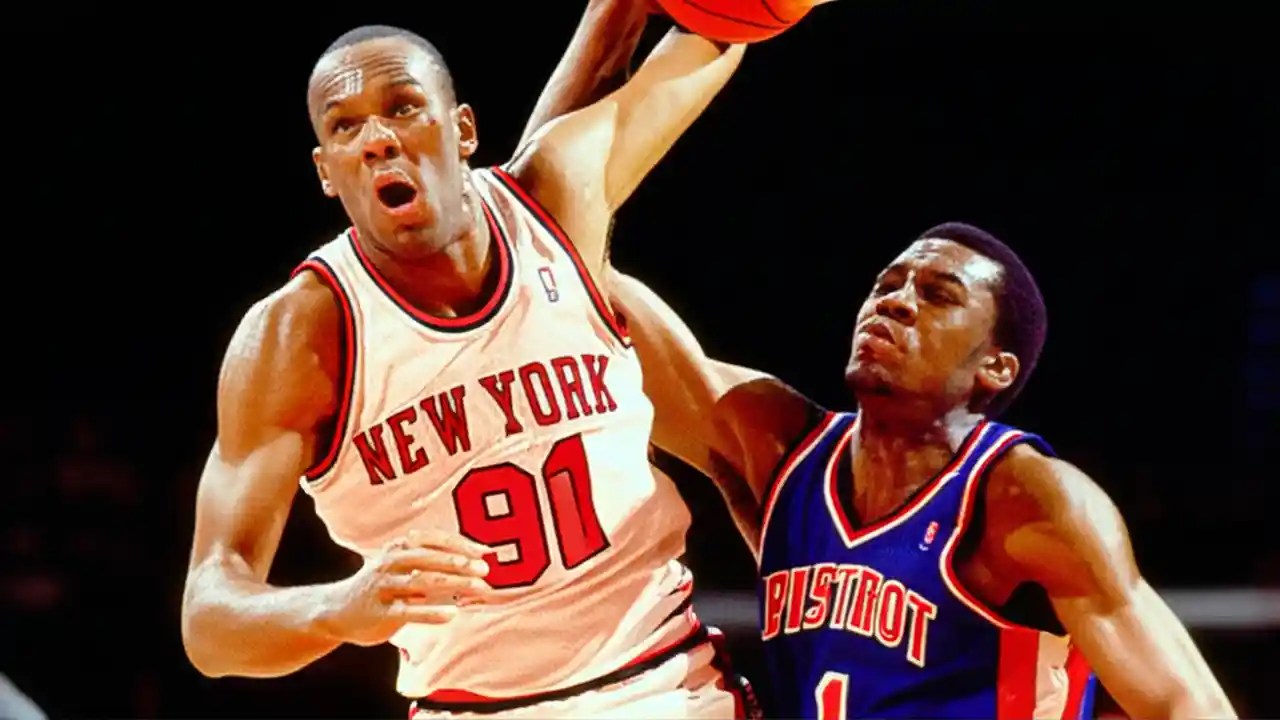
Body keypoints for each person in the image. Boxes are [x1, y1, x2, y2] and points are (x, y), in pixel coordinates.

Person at [179, 3, 762, 717]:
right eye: (345, 126)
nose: (378, 139)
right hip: (473, 705)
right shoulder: (300, 334)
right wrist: (342, 607)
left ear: (463, 130)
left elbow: (718, 34)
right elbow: (209, 622)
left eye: (403, 107)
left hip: (659, 680)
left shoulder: (558, 199)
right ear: (326, 171)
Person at [608, 222, 1237, 719]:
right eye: (888, 285)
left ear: (996, 368)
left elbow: (1184, 703)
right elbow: (582, 287)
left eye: (938, 296)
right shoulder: (779, 449)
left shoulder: (1029, 498)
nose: (897, 303)